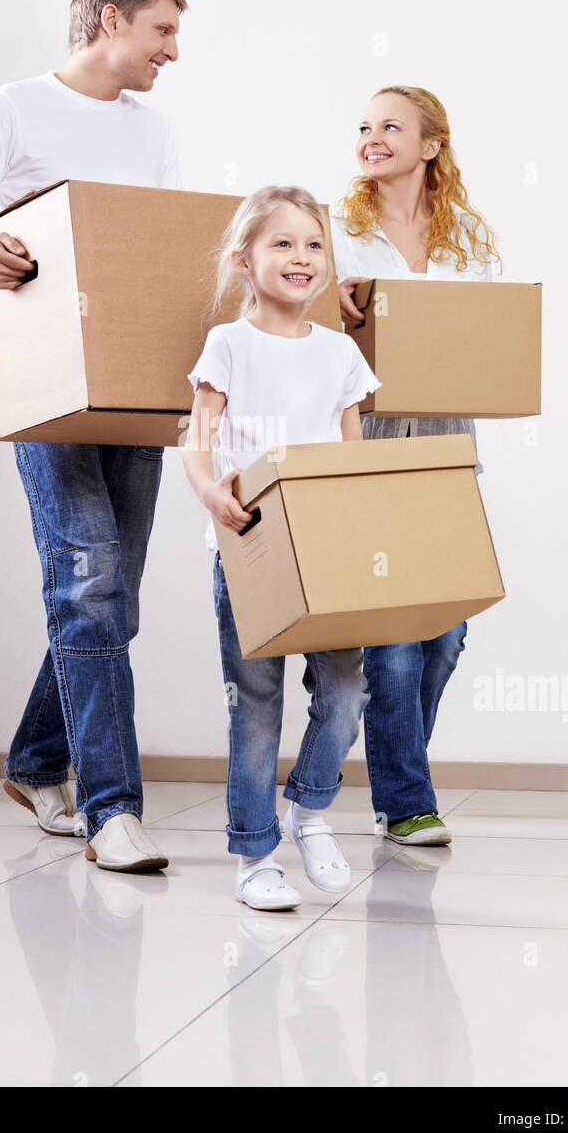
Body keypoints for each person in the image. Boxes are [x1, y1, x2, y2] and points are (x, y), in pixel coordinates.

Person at [0, 0, 187, 873]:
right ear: (109, 19)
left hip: (133, 385)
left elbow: (152, 261)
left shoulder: (152, 134)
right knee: (89, 583)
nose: (174, 51)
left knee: (117, 598)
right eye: (162, 30)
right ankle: (111, 809)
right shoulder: (11, 110)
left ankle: (38, 759)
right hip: (46, 388)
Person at [183, 186, 379, 910]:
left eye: (314, 244)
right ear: (243, 260)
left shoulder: (340, 355)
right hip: (252, 548)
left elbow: (356, 459)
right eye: (282, 243)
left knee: (346, 691)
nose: (302, 258)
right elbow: (197, 443)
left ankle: (311, 811)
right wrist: (212, 495)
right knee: (257, 703)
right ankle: (254, 853)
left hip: (328, 549)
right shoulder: (228, 346)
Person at [332, 85, 501, 847]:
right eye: (365, 126)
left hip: (445, 446)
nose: (372, 137)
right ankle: (405, 801)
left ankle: (397, 764)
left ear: (431, 145)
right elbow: (281, 311)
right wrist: (327, 301)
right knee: (393, 640)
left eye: (391, 126)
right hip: (365, 441)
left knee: (447, 634)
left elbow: (486, 337)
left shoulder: (466, 235)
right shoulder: (335, 231)